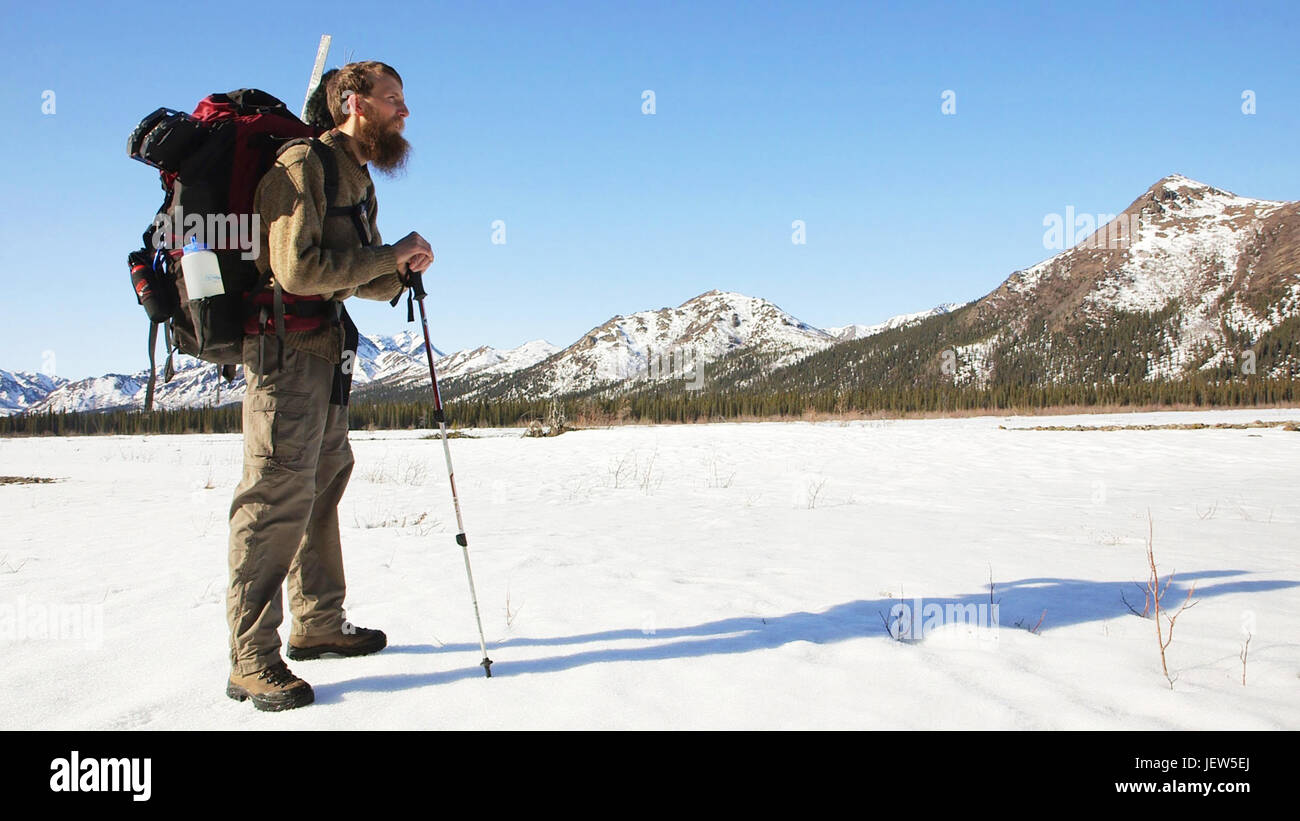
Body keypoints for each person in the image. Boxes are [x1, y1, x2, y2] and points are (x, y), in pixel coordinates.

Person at [225, 60, 434, 711]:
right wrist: (385, 254)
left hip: (326, 355)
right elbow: (295, 269)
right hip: (284, 355)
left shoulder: (357, 176)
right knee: (275, 494)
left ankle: (317, 623)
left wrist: (399, 267)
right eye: (393, 99)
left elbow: (356, 275)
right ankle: (252, 657)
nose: (405, 111)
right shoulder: (301, 165)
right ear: (353, 101)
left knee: (321, 483)